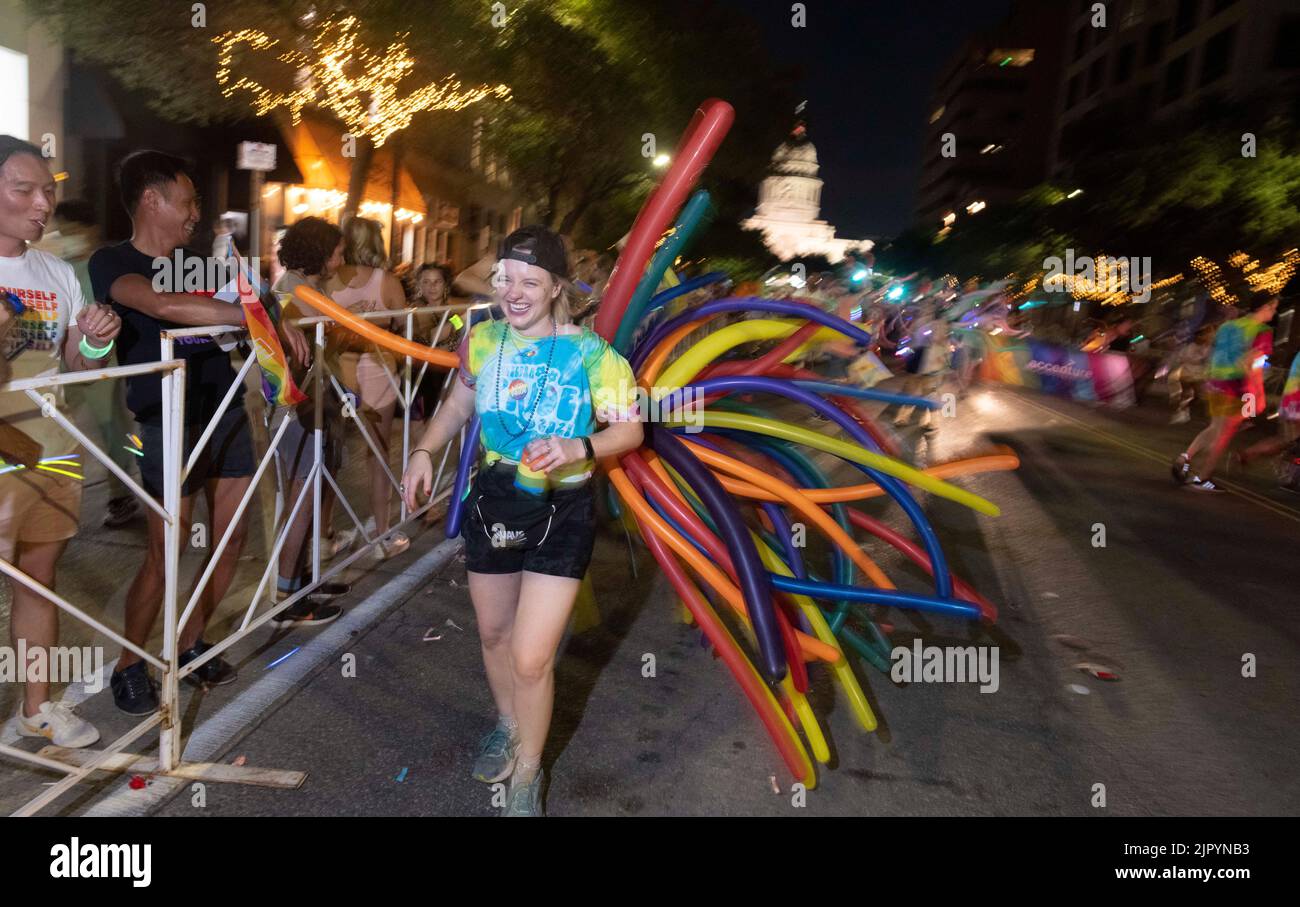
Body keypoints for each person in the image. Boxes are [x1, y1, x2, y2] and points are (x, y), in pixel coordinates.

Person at [401, 225, 643, 816]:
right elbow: (458, 404)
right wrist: (424, 451)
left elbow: (631, 429)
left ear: (557, 287)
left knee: (532, 656)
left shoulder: (594, 354)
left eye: (530, 281)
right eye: (506, 278)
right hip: (496, 498)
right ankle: (508, 725)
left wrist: (576, 447)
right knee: (493, 634)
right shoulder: (482, 340)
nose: (514, 291)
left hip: (563, 506)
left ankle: (530, 770)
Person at [88, 150, 310, 714]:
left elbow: (257, 296)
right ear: (150, 199)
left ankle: (190, 644)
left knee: (229, 538)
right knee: (166, 551)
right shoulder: (111, 261)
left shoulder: (204, 262)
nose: (194, 213)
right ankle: (130, 663)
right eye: (186, 201)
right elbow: (161, 304)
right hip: (167, 419)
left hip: (226, 410)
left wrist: (275, 318)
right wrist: (254, 320)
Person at [0, 136, 123, 746]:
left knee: (37, 580)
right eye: (23, 189)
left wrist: (97, 336)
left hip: (52, 448)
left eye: (47, 191)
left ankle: (36, 707)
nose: (41, 202)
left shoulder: (56, 272)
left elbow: (76, 363)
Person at [266, 216, 352, 626]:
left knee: (312, 492)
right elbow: (302, 352)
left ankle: (302, 580)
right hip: (297, 406)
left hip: (317, 400)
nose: (342, 258)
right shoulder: (293, 290)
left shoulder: (310, 288)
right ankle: (286, 596)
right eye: (337, 251)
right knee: (302, 496)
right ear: (320, 252)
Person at [43, 199, 142, 527]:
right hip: (63, 363)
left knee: (111, 428)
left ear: (89, 230)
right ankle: (49, 494)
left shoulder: (104, 266)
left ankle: (120, 493)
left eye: (72, 230)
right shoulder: (57, 267)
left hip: (102, 363)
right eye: (63, 230)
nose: (66, 236)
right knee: (54, 427)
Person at [326, 216, 409, 559]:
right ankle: (381, 535)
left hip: (338, 368)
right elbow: (406, 325)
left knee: (329, 454)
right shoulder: (387, 282)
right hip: (378, 367)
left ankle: (323, 535)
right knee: (377, 452)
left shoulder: (328, 281)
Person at [1172, 294, 1279, 493]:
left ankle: (1184, 458)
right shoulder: (1263, 331)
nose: (1275, 312)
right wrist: (1258, 394)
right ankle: (1202, 478)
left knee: (1214, 428)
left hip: (1215, 382)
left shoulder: (1228, 326)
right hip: (1237, 386)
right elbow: (1251, 364)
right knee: (1224, 434)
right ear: (1264, 307)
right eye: (1273, 307)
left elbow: (1214, 354)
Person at [1239, 350, 1300, 489]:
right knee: (1292, 441)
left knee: (1285, 440)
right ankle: (1291, 477)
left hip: (1291, 400)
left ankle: (1249, 453)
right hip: (1297, 402)